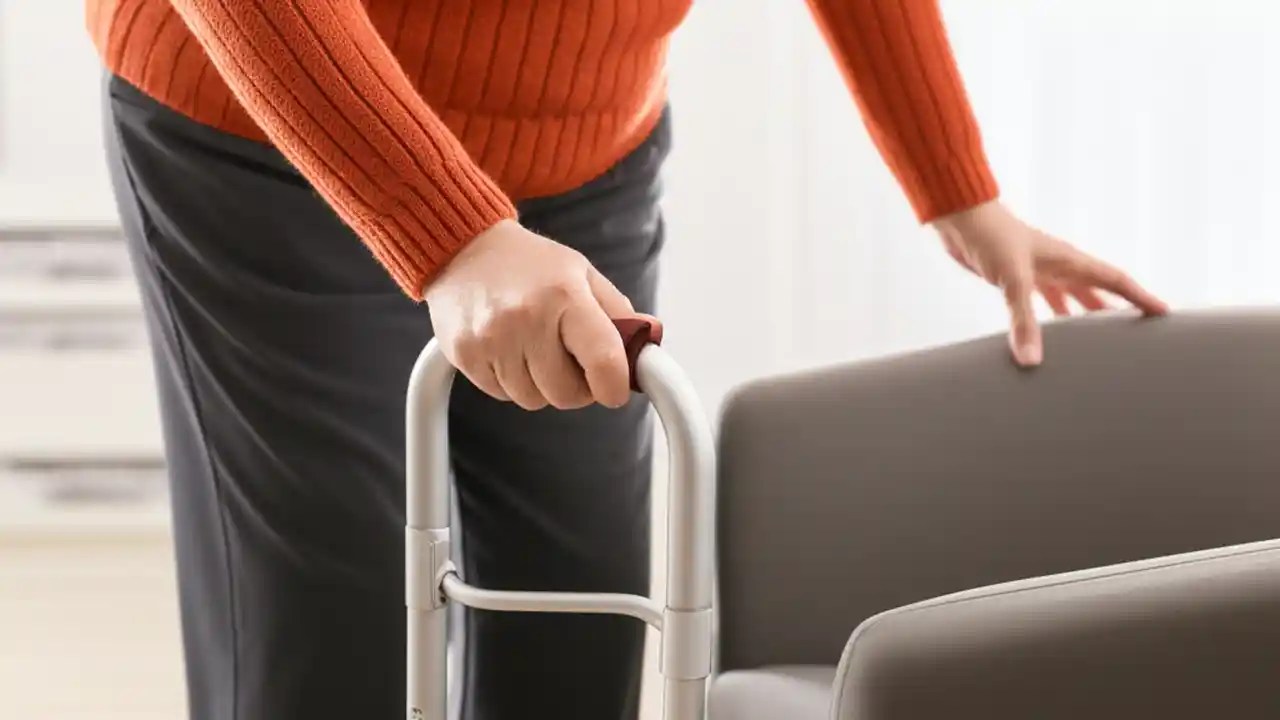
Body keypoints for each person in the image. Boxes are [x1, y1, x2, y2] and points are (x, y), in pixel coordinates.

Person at [86, 1, 1167, 719]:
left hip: (577, 136)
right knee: (328, 615)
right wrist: (449, 232)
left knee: (584, 602)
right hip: (265, 126)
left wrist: (955, 185)